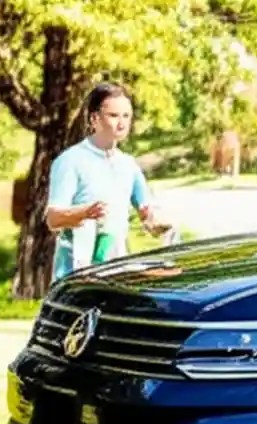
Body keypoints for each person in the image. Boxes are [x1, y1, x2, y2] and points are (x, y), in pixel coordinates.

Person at [45, 81, 169, 283]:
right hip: (74, 278)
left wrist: (158, 224)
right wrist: (85, 213)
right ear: (94, 118)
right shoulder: (70, 161)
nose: (121, 123)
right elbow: (53, 219)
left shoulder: (128, 165)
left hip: (115, 276)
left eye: (126, 116)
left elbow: (147, 214)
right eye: (113, 116)